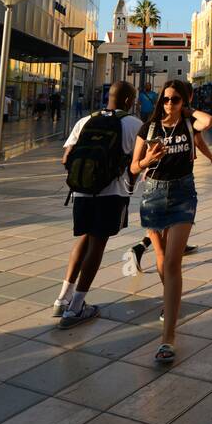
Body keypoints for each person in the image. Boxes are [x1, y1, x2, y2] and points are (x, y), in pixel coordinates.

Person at [130, 80, 212, 363]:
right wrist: (146, 161)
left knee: (172, 262)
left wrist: (187, 111)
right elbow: (133, 167)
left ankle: (168, 337)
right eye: (166, 99)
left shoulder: (188, 124)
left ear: (183, 101)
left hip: (183, 194)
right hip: (154, 194)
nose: (169, 104)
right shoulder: (149, 128)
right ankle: (170, 299)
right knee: (160, 256)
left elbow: (209, 121)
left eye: (175, 99)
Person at [55, 81, 142, 327]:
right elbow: (138, 163)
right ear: (128, 101)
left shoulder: (85, 121)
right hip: (112, 192)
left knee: (83, 238)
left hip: (81, 192)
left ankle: (63, 298)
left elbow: (66, 158)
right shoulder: (134, 124)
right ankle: (76, 306)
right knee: (97, 244)